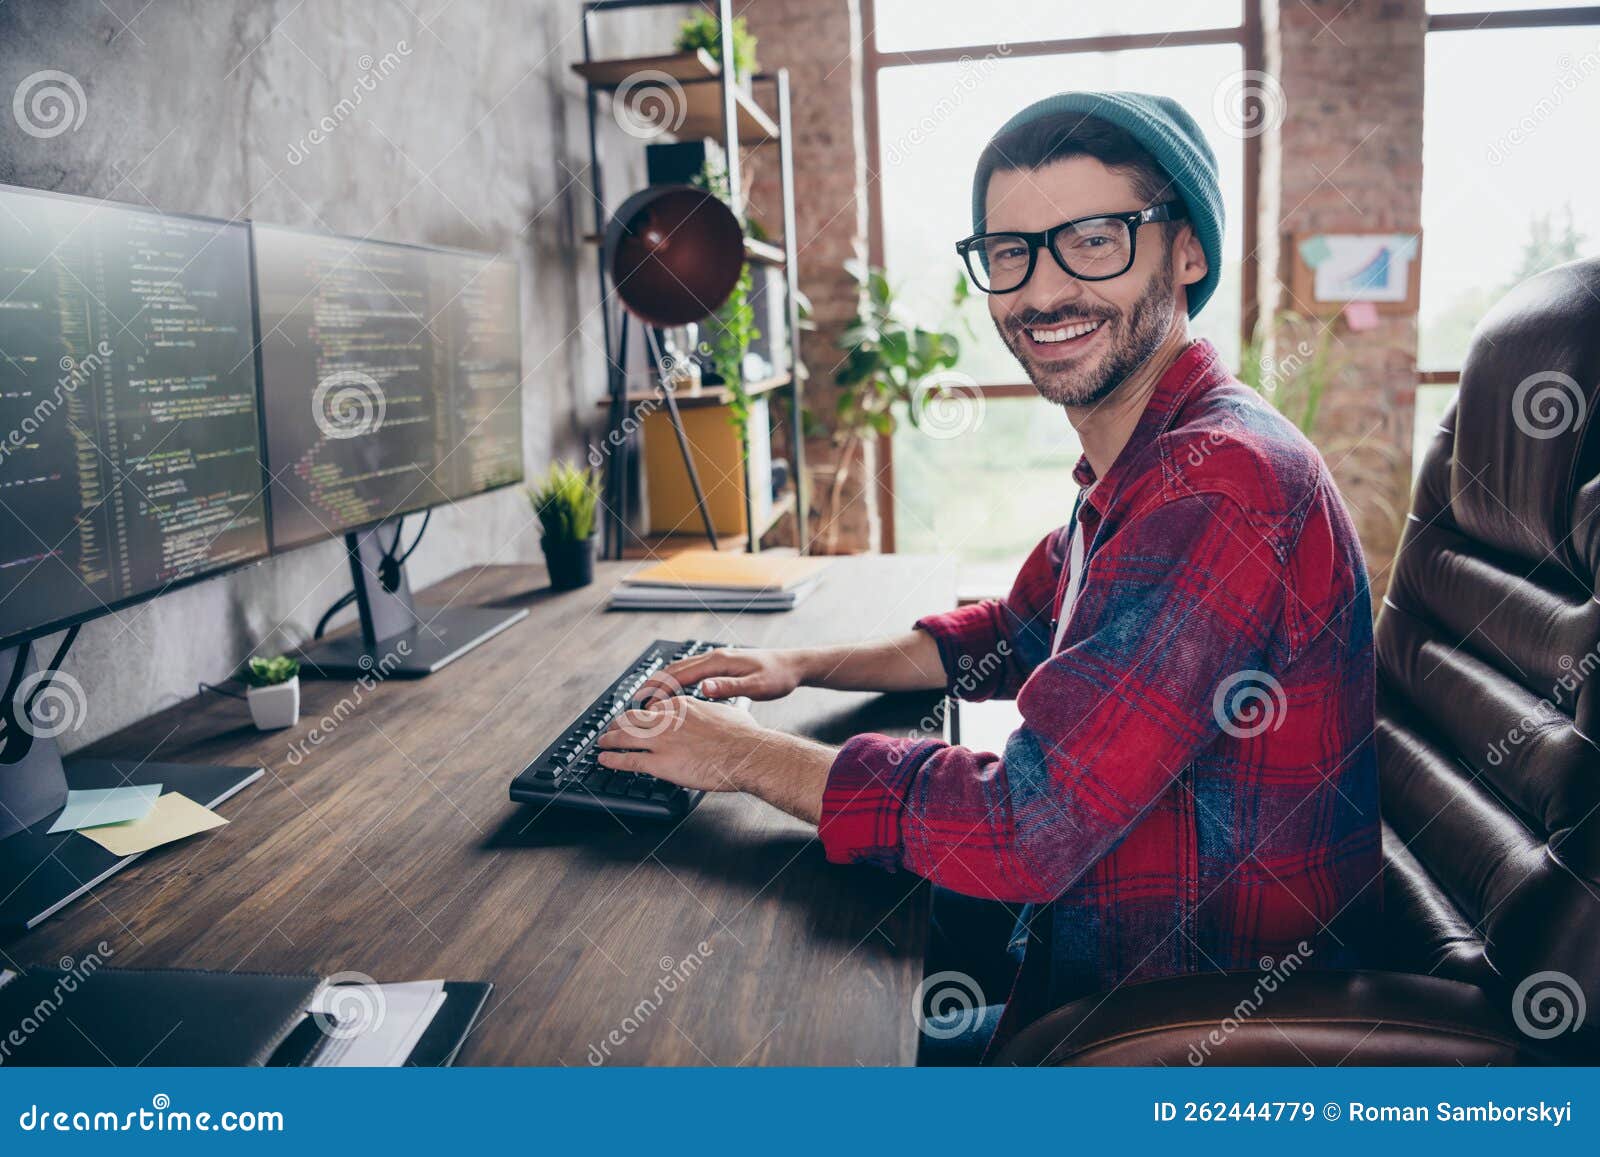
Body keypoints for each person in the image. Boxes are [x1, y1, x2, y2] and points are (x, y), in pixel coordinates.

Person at [598, 91, 1381, 1062]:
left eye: (1092, 240)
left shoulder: (1219, 484)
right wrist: (796, 665)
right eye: (1010, 251)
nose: (1042, 292)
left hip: (1174, 1028)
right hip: (1091, 964)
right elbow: (1010, 630)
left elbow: (1026, 827)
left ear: (1187, 252)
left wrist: (742, 758)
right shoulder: (1145, 461)